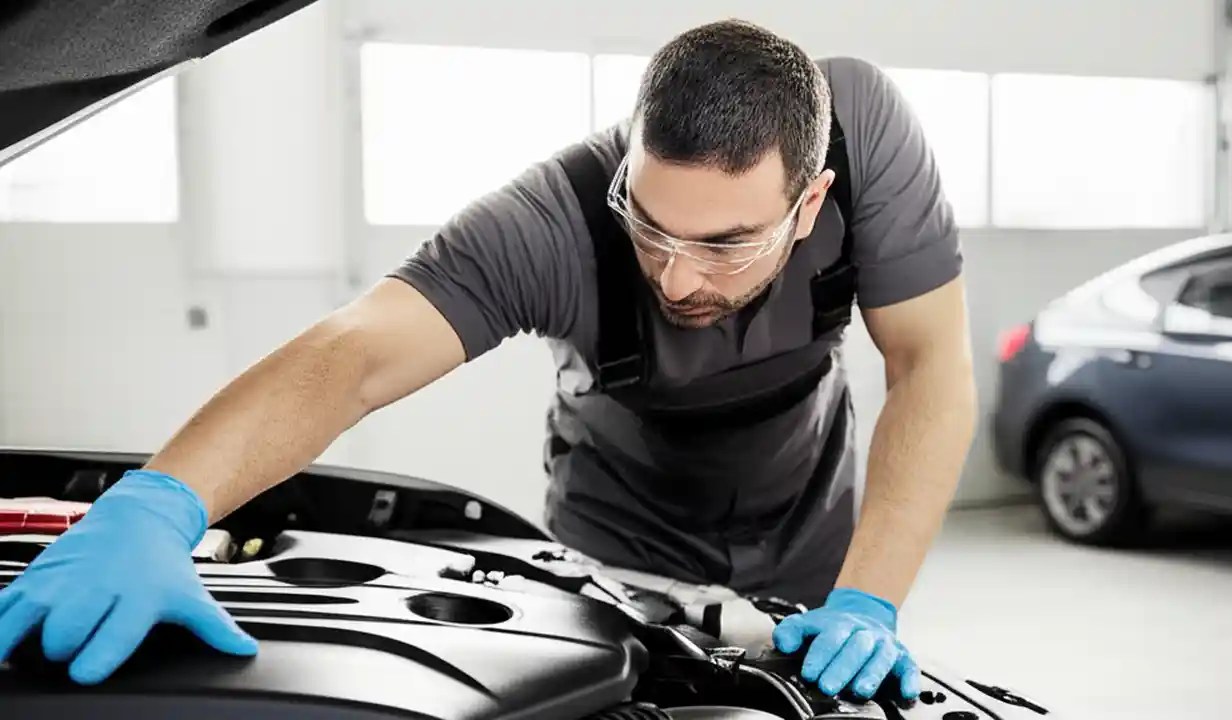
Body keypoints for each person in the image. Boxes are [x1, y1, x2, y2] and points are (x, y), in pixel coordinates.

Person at [0, 19, 976, 702]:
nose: (676, 278)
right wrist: (161, 502)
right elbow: (354, 357)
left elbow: (928, 365)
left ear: (807, 206)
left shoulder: (861, 133)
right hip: (614, 547)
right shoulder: (555, 221)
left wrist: (866, 598)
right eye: (649, 226)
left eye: (724, 245)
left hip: (807, 530)